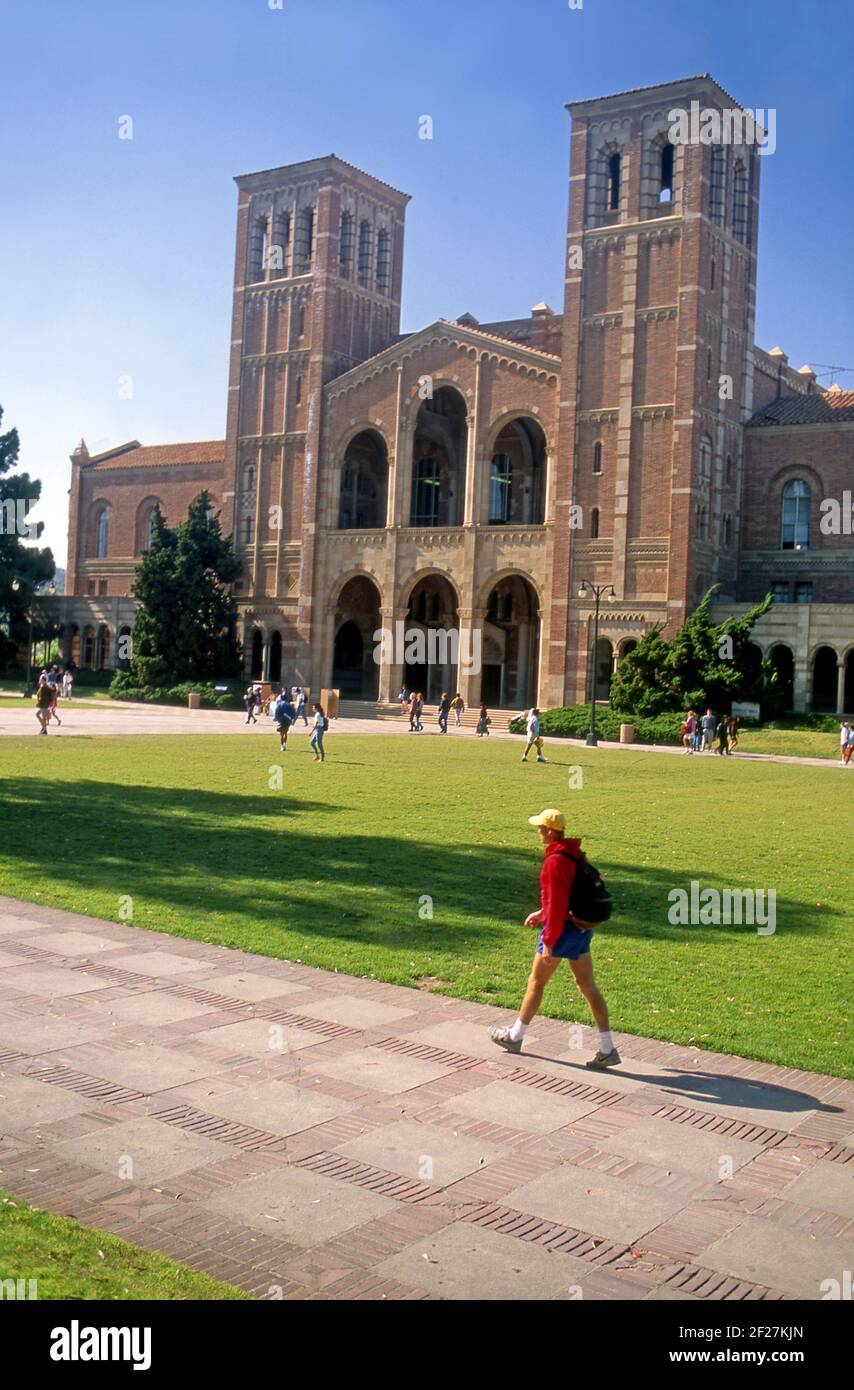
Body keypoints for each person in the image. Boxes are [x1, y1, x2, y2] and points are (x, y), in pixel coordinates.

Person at [489, 808, 620, 1071]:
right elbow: (561, 897)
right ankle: (607, 1048)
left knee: (536, 982)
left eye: (540, 828)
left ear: (550, 831)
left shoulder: (555, 861)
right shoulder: (572, 854)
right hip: (580, 928)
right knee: (587, 985)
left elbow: (558, 902)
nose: (537, 832)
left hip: (562, 931)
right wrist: (541, 912)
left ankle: (514, 1037)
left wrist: (549, 939)